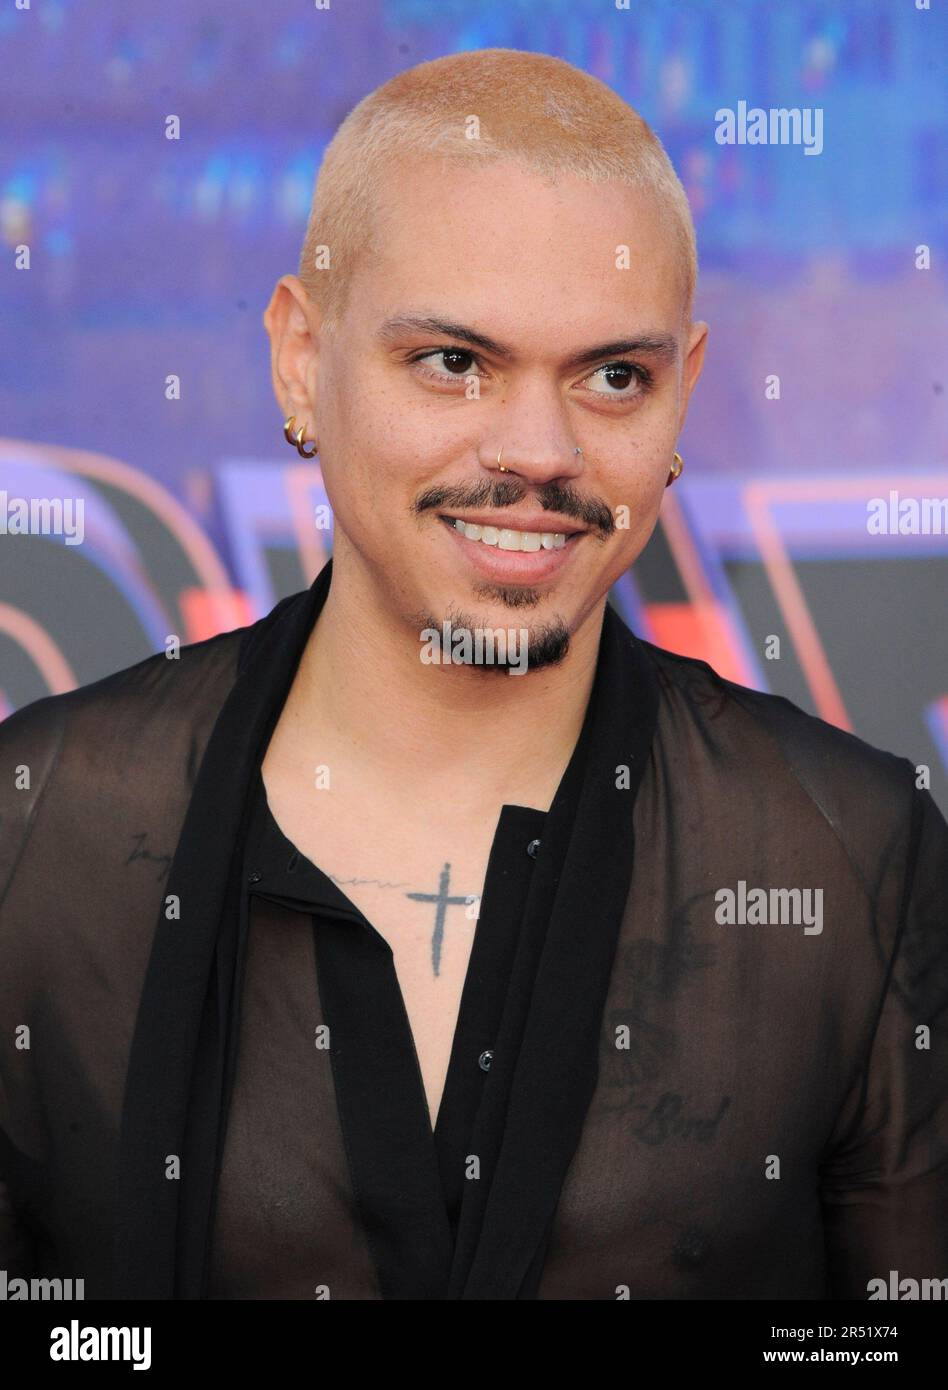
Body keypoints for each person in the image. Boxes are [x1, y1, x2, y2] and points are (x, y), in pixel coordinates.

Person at [1, 48, 945, 1302]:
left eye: (615, 377)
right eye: (454, 362)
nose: (538, 452)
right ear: (300, 358)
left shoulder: (854, 859)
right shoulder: (41, 829)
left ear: (686, 394)